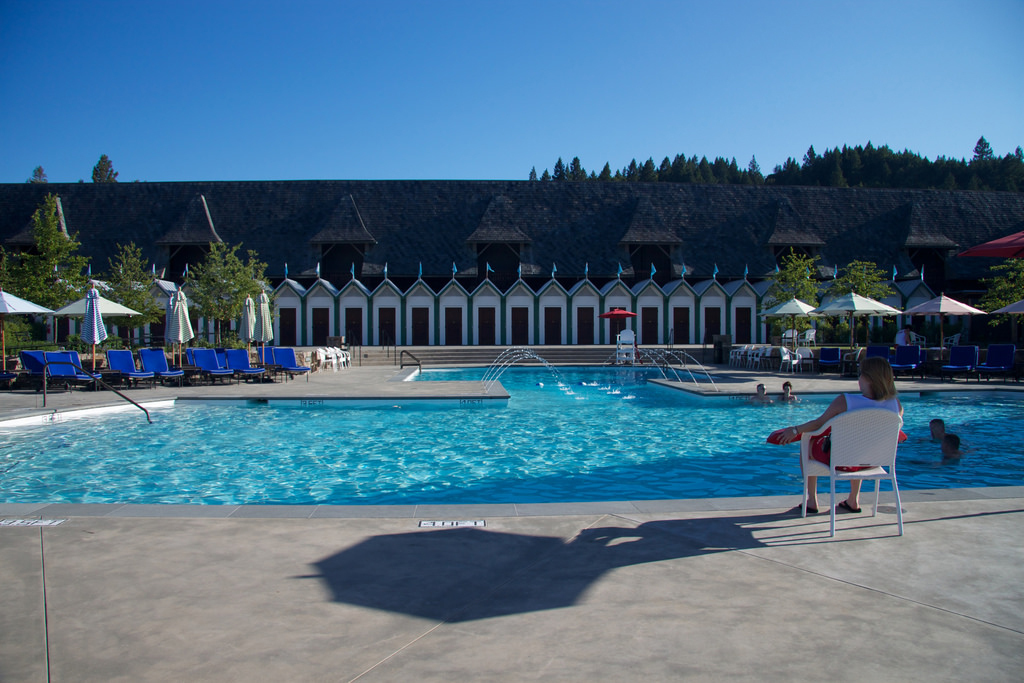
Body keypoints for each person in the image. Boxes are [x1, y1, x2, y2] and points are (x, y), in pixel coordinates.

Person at [774, 356, 903, 514]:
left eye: (861, 374)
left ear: (868, 378)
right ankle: (853, 500)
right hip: (874, 461)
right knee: (862, 446)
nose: (859, 378)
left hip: (842, 461)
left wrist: (795, 430)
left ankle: (812, 501)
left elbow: (818, 424)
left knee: (806, 443)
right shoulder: (896, 405)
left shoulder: (846, 401)